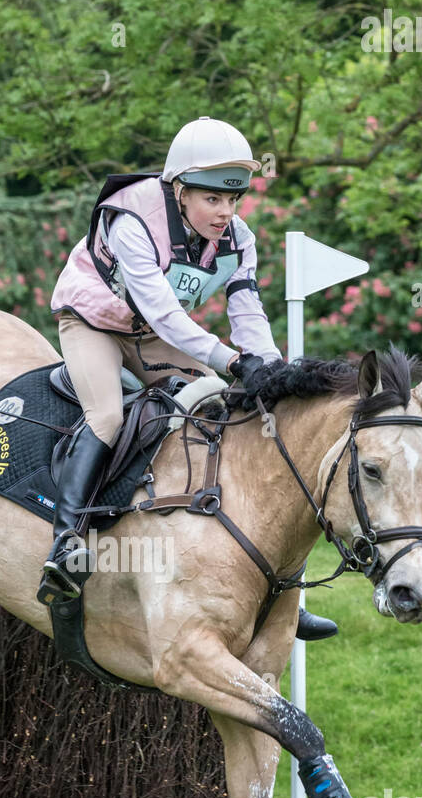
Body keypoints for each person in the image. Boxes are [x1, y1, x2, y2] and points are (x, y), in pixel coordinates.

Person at [39, 115, 336, 640]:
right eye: (212, 200)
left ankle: (285, 588)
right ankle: (67, 543)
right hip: (94, 324)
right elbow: (167, 316)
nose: (226, 213)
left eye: (235, 199)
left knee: (230, 410)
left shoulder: (238, 240)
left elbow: (248, 316)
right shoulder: (131, 220)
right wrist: (231, 361)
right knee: (106, 416)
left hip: (154, 336)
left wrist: (271, 369)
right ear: (178, 190)